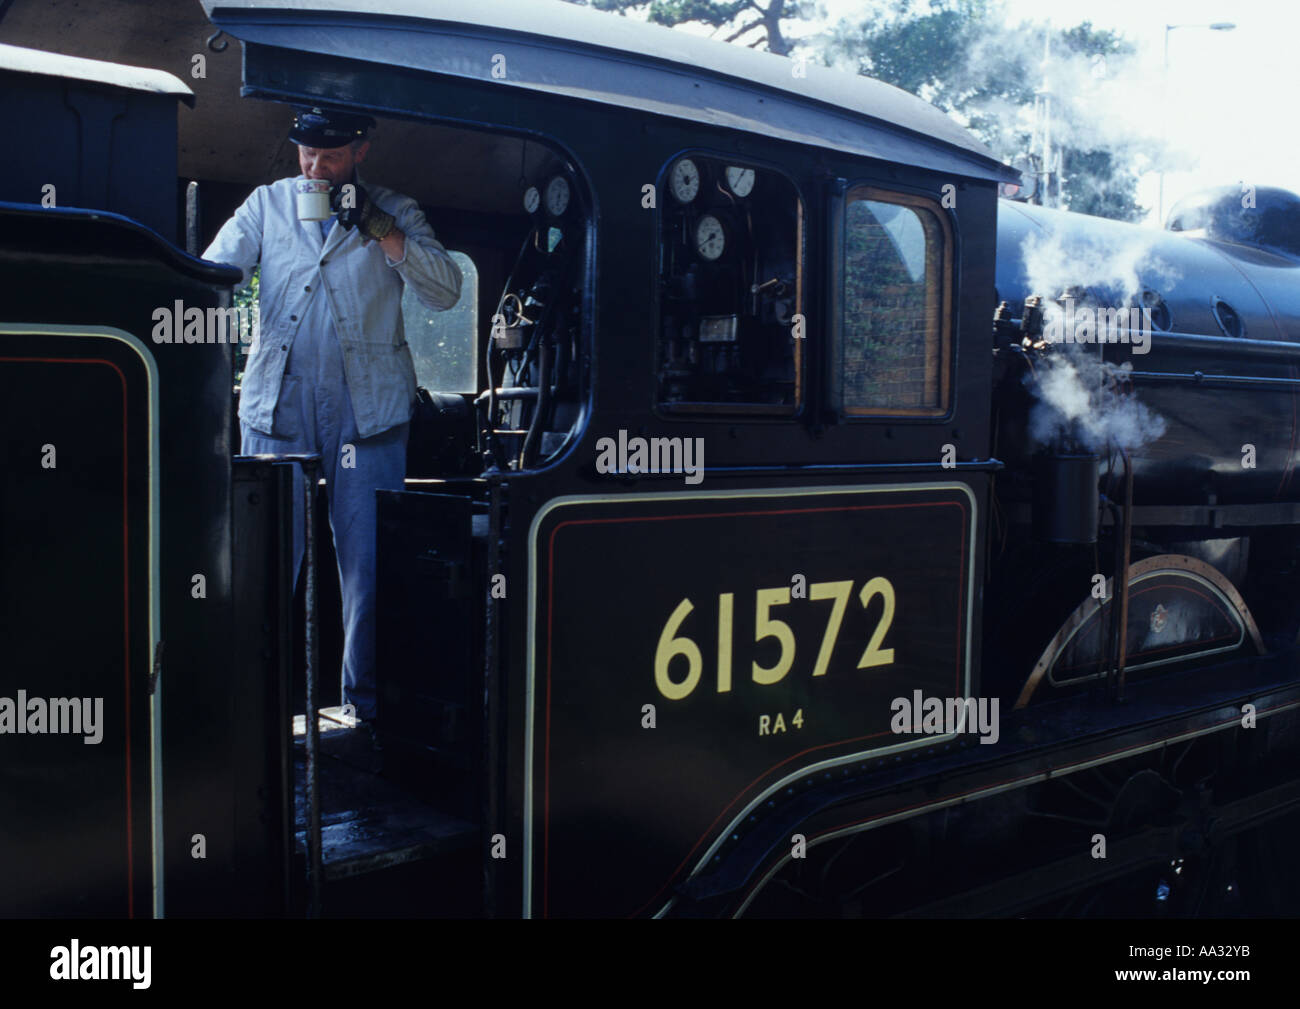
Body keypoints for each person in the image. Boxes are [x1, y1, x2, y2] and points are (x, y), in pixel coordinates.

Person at [204, 106, 463, 725]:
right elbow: (212, 272)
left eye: (331, 156)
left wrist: (379, 229)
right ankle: (248, 713)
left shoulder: (395, 210)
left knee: (368, 568)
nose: (315, 168)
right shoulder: (268, 204)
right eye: (305, 154)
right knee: (262, 560)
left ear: (361, 151)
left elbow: (447, 290)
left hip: (366, 409)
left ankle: (365, 712)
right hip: (279, 404)